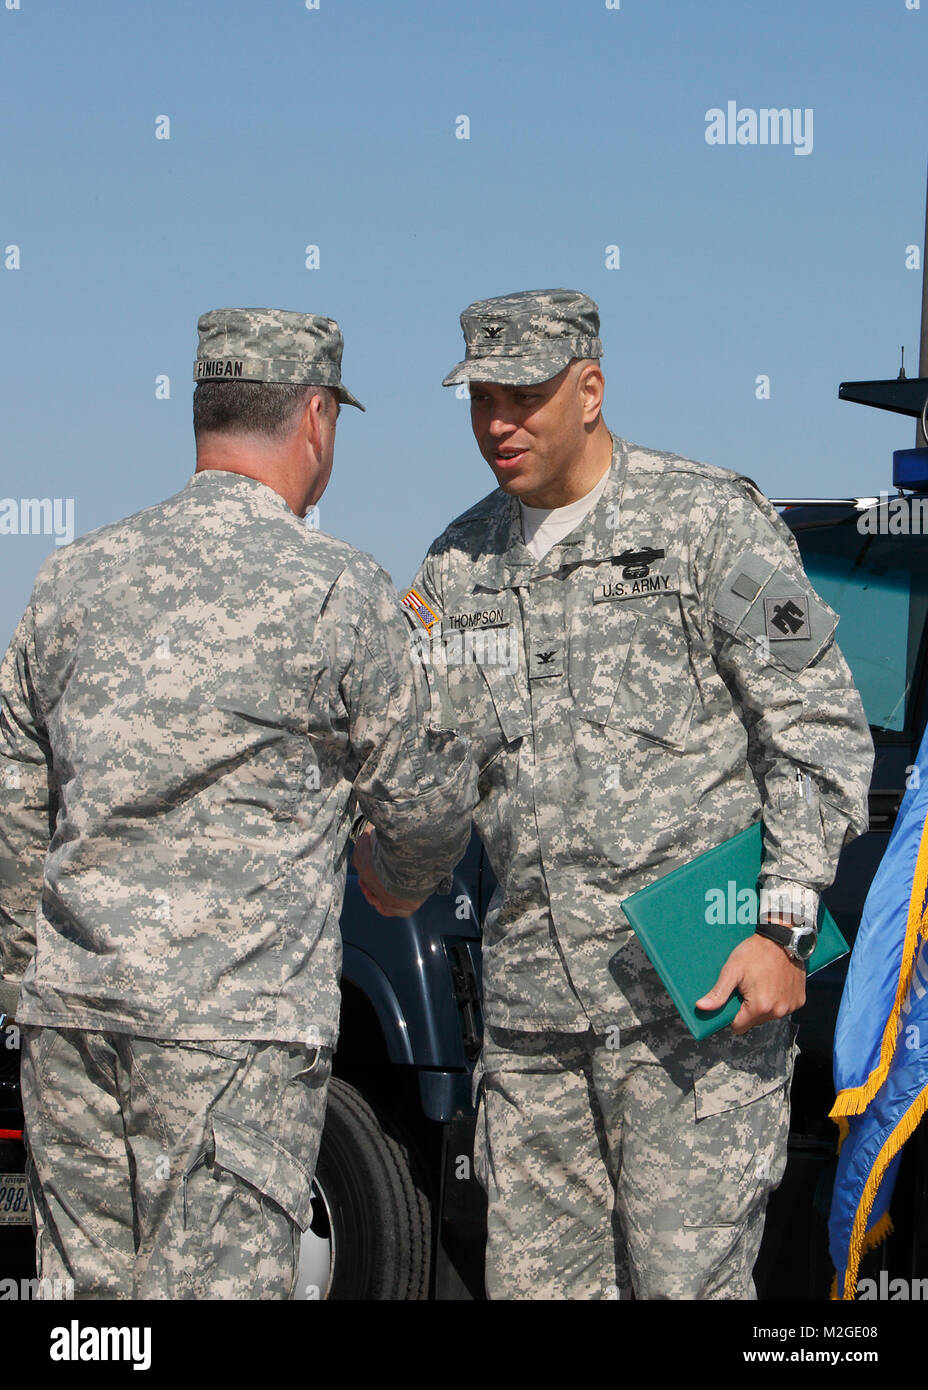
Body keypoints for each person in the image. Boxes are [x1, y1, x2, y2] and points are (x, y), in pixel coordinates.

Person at [380, 287, 873, 1300]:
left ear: (590, 388)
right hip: (533, 1033)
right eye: (480, 401)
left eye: (521, 396)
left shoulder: (704, 524)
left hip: (692, 1019)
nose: (497, 425)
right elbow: (422, 765)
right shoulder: (456, 565)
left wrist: (779, 929)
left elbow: (817, 735)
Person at [0, 307, 477, 1300]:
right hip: (235, 1041)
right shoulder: (335, 588)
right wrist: (392, 882)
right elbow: (428, 808)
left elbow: (14, 822)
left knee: (86, 1314)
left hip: (74, 1029)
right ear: (315, 419)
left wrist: (24, 991)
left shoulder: (69, 581)